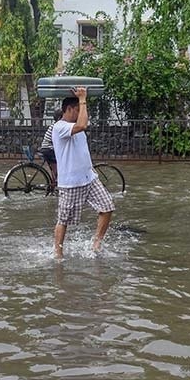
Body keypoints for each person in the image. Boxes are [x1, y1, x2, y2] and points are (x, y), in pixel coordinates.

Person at [52, 87, 114, 258]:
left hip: (89, 178)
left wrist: (91, 169)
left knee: (107, 206)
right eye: (78, 110)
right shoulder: (60, 127)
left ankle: (96, 242)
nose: (81, 113)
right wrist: (83, 98)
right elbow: (82, 124)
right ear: (70, 109)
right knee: (63, 220)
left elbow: (82, 149)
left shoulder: (76, 127)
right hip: (70, 183)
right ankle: (58, 252)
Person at [39, 109, 63, 186]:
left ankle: (53, 185)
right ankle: (57, 183)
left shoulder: (54, 125)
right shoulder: (57, 127)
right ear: (59, 118)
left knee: (53, 170)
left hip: (46, 148)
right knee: (57, 171)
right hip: (49, 149)